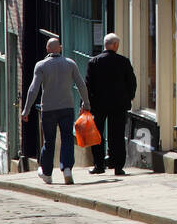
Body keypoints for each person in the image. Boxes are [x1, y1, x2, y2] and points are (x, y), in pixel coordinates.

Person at [21, 38, 89, 184]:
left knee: (49, 141)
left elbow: (33, 89)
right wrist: (86, 103)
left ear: (47, 49)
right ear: (60, 48)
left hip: (49, 109)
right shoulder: (70, 64)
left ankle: (46, 173)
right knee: (67, 138)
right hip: (67, 107)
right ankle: (67, 169)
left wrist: (26, 110)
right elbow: (81, 85)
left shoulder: (41, 65)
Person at [85, 33, 137, 176]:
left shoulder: (93, 62)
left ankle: (99, 165)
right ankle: (118, 166)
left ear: (105, 44)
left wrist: (86, 103)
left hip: (99, 105)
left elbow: (88, 85)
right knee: (118, 136)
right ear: (115, 45)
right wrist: (130, 97)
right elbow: (132, 82)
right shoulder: (124, 61)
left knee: (97, 135)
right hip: (119, 105)